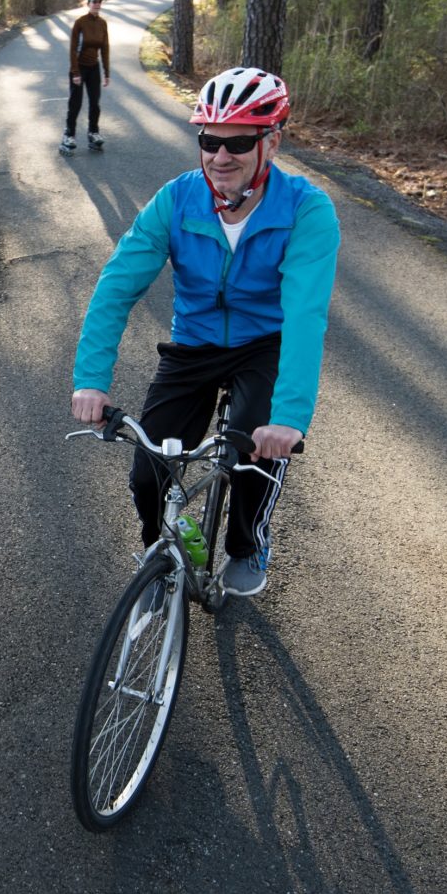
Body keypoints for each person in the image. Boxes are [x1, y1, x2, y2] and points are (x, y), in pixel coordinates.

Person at [70, 67, 339, 597]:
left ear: (272, 142)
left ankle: (247, 543)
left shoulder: (307, 211)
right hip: (193, 343)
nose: (221, 156)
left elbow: (306, 316)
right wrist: (91, 380)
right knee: (149, 472)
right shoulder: (177, 200)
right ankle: (159, 550)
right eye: (210, 140)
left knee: (253, 459)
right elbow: (116, 288)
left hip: (265, 345)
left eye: (239, 141)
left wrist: (287, 420)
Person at [61, 0, 111, 155]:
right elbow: (73, 50)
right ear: (88, 3)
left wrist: (107, 73)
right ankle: (68, 135)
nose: (97, 5)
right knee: (75, 103)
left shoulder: (102, 23)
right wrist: (75, 73)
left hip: (93, 68)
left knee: (95, 104)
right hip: (79, 68)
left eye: (99, 2)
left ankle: (93, 133)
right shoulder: (80, 23)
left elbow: (105, 49)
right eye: (94, 2)